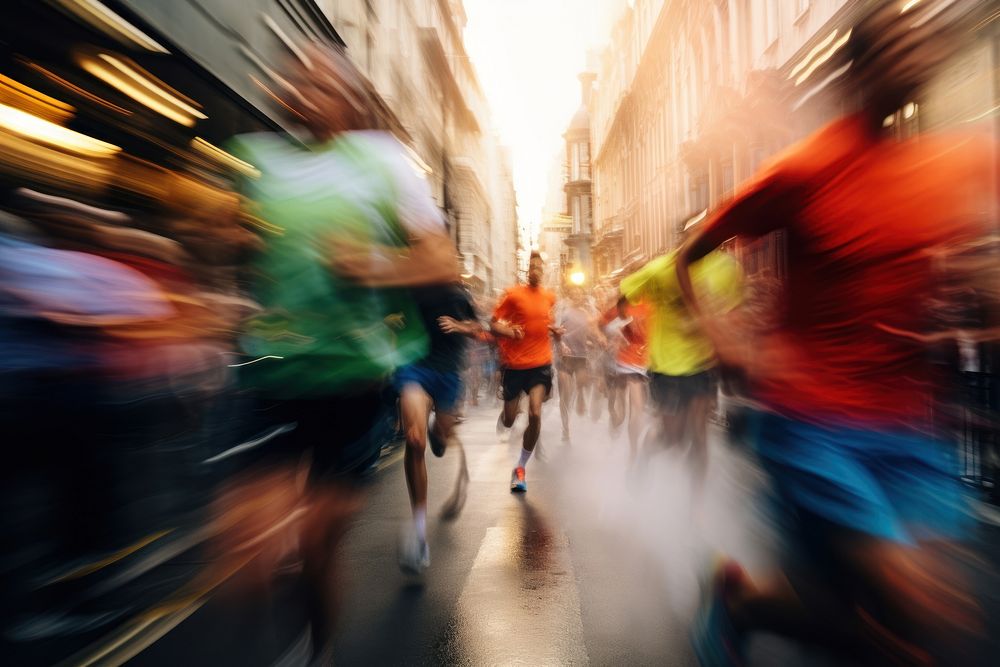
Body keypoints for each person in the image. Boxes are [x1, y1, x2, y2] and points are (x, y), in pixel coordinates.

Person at [678, 2, 992, 664]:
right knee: (908, 616)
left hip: (913, 430)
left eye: (923, 44)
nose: (921, 56)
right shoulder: (804, 171)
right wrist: (725, 334)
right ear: (863, 68)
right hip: (815, 423)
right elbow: (695, 252)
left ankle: (746, 600)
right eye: (901, 46)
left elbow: (968, 270)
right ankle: (742, 603)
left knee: (928, 617)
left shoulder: (948, 166)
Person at [231, 43, 458, 660]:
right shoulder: (258, 160)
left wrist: (370, 263)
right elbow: (236, 245)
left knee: (316, 544)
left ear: (350, 97)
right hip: (270, 375)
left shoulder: (382, 163)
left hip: (352, 382)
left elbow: (441, 258)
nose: (304, 89)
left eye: (321, 80)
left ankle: (319, 649)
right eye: (295, 78)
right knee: (248, 555)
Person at [620, 247, 742, 499]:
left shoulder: (725, 268)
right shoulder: (659, 269)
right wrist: (632, 318)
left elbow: (735, 310)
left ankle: (694, 516)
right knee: (673, 438)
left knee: (699, 437)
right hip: (667, 368)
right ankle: (645, 454)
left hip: (702, 366)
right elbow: (625, 292)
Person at [396, 282, 482, 574]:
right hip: (415, 368)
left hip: (449, 374)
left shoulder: (458, 292)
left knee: (439, 442)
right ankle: (419, 533)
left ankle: (438, 429)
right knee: (415, 440)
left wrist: (459, 326)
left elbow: (477, 327)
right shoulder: (408, 285)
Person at [492, 252, 560, 492]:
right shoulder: (513, 295)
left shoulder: (549, 297)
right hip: (514, 365)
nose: (535, 270)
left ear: (543, 271)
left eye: (539, 267)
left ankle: (520, 468)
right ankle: (505, 419)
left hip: (540, 364)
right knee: (510, 421)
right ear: (526, 269)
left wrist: (556, 331)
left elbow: (544, 321)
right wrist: (510, 333)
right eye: (531, 266)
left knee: (535, 412)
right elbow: (493, 322)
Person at [601, 295, 650, 463]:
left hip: (644, 363)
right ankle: (631, 449)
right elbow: (603, 331)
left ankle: (632, 448)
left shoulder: (649, 307)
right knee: (628, 409)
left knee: (637, 410)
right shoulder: (617, 325)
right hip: (626, 364)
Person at [555, 286, 599, 442]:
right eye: (574, 292)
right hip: (565, 358)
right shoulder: (563, 312)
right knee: (564, 394)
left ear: (583, 296)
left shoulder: (586, 314)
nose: (577, 295)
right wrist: (561, 345)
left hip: (581, 357)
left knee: (582, 384)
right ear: (570, 295)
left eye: (579, 293)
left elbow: (592, 332)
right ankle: (565, 428)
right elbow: (555, 332)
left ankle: (580, 396)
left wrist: (593, 340)